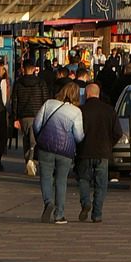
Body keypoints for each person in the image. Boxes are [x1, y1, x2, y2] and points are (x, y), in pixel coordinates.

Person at [33, 80, 85, 224]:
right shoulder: (76, 112)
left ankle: (48, 201)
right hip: (65, 150)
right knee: (61, 181)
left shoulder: (49, 104)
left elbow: (36, 125)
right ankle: (59, 214)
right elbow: (79, 136)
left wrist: (40, 139)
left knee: (46, 177)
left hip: (46, 147)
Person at [76, 77, 123, 223]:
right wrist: (109, 144)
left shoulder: (80, 111)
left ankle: (85, 202)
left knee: (83, 179)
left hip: (84, 151)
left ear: (87, 94)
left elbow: (74, 131)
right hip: (103, 151)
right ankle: (97, 213)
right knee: (101, 184)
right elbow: (118, 133)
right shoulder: (109, 110)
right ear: (98, 94)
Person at [13, 56, 50, 170]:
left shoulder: (18, 83)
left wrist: (15, 118)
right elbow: (45, 100)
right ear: (34, 69)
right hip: (38, 114)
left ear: (23, 69)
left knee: (26, 138)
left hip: (24, 115)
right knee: (35, 139)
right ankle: (32, 160)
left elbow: (15, 101)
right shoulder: (41, 83)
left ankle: (28, 160)